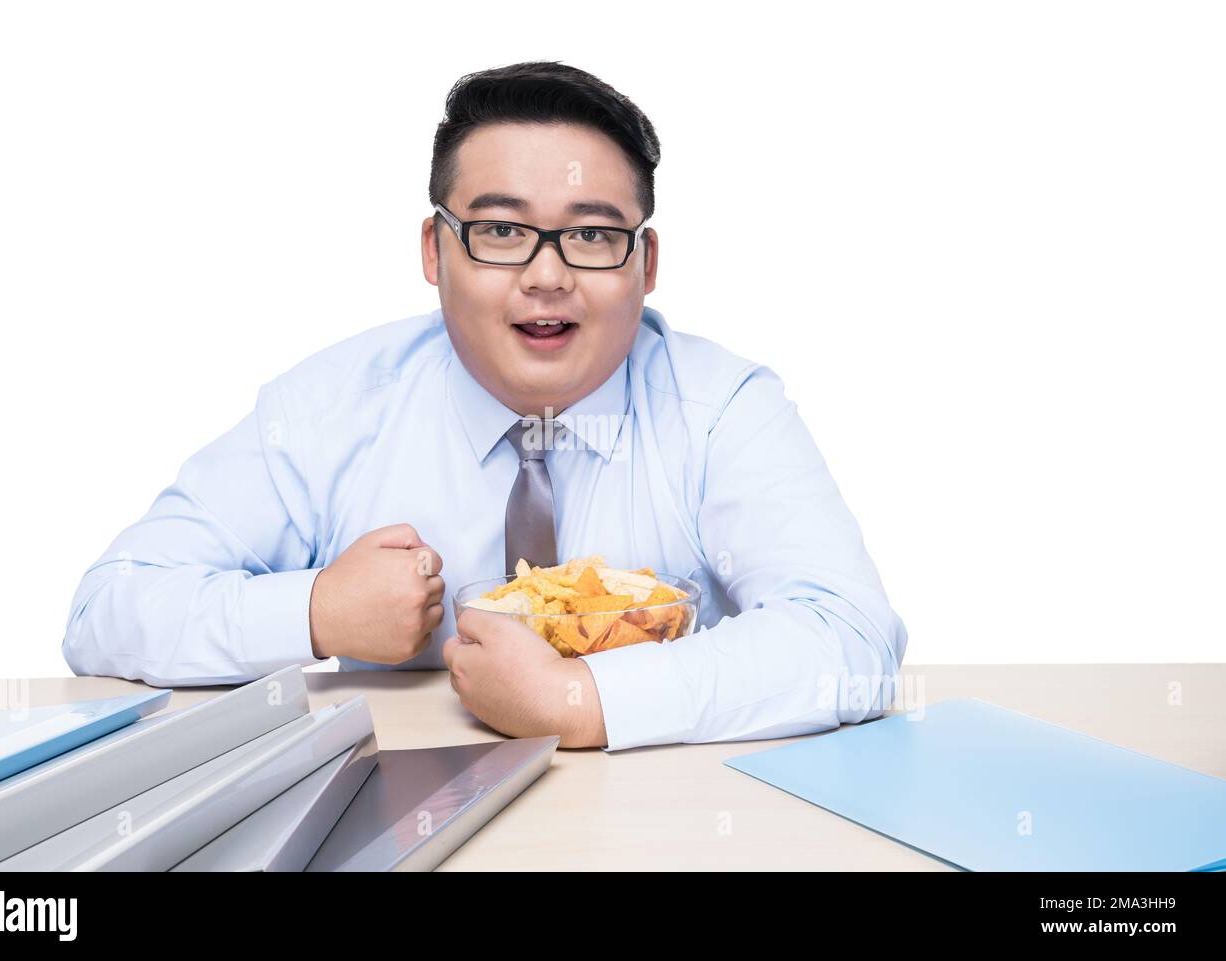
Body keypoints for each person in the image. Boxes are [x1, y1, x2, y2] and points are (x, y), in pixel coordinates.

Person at [63, 60, 907, 751]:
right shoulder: (329, 410)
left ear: (646, 264)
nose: (547, 275)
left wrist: (581, 698)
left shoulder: (722, 409)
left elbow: (853, 642)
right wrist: (316, 609)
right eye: (501, 231)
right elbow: (111, 607)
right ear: (436, 249)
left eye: (592, 234)